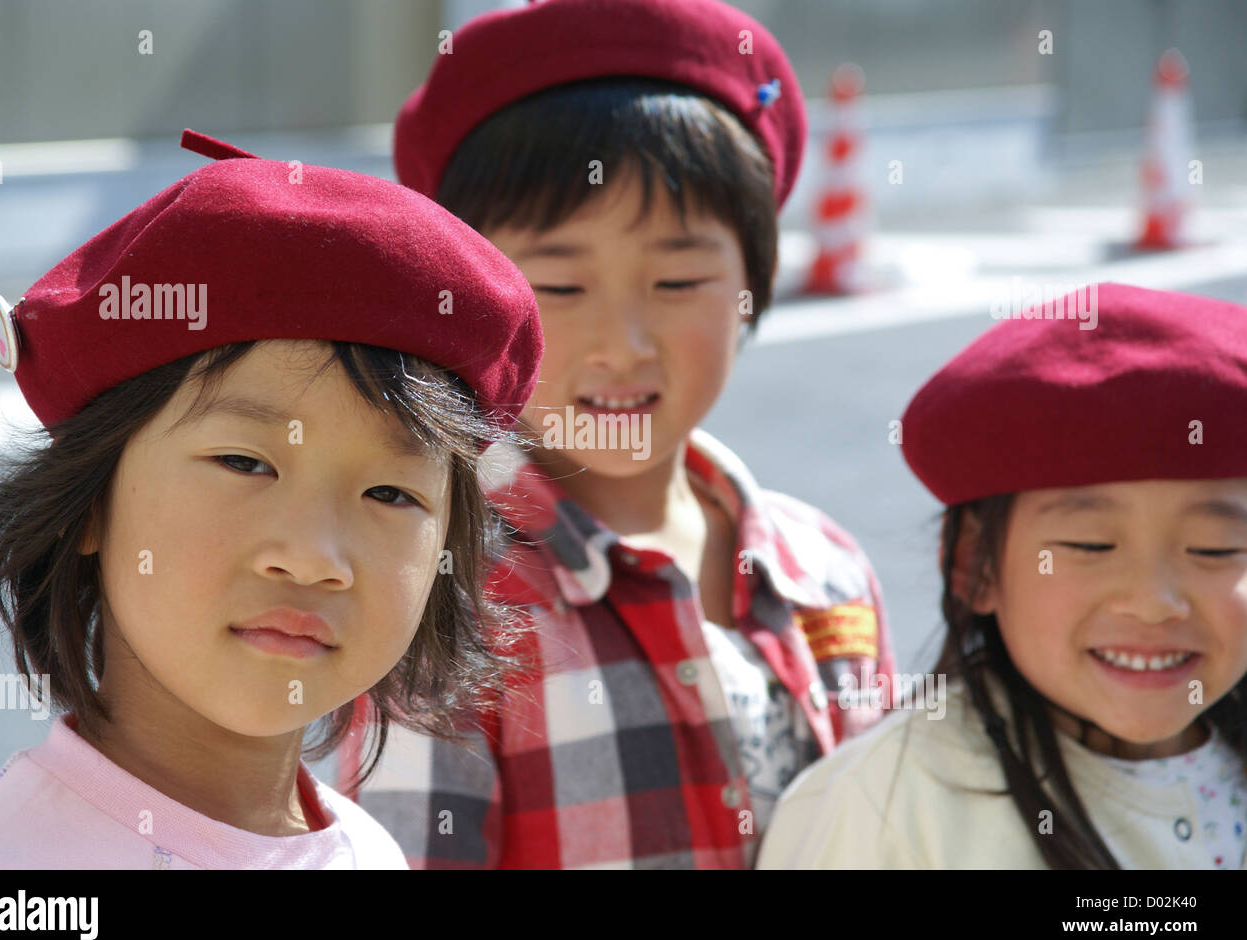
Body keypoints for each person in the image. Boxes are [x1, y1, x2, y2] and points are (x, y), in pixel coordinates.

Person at [351, 0, 894, 869]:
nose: (623, 344)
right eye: (560, 287)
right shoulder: (439, 601)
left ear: (753, 283)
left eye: (678, 280)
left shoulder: (827, 569)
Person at [0, 129, 542, 869]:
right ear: (89, 502)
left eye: (389, 492)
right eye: (244, 462)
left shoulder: (370, 853)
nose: (312, 558)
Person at [759, 282, 1247, 869]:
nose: (1153, 602)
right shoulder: (888, 809)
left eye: (1217, 549)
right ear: (974, 564)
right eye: (1088, 544)